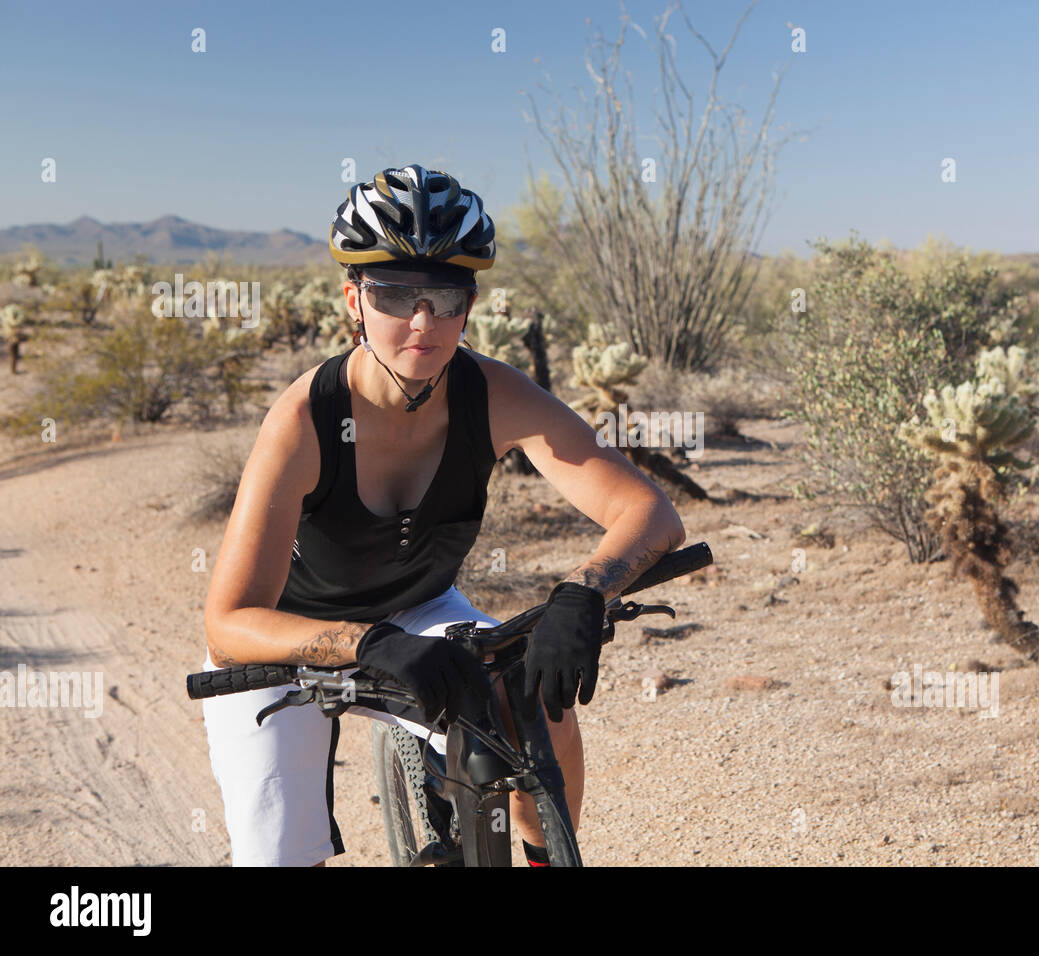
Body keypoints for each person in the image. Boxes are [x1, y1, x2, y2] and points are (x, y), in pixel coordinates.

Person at [201, 164, 685, 867]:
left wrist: (583, 590)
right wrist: (363, 643)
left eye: (445, 295)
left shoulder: (493, 393)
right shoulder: (305, 421)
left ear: (470, 302)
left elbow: (648, 510)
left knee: (538, 710)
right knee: (277, 857)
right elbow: (228, 621)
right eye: (395, 294)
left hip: (420, 608)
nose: (422, 321)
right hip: (284, 643)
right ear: (354, 301)